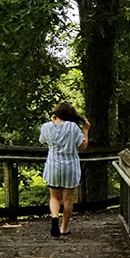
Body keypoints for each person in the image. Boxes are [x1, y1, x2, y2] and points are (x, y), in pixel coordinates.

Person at [39, 101, 90, 238]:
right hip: (70, 166)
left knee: (54, 196)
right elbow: (82, 146)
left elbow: (43, 140)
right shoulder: (73, 127)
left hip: (53, 165)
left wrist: (52, 122)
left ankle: (55, 217)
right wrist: (85, 130)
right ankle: (63, 228)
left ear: (56, 114)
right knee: (68, 198)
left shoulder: (46, 127)